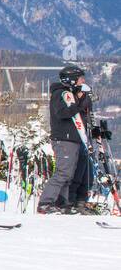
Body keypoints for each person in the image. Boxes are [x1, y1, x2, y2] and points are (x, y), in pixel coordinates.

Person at [38, 64, 92, 214]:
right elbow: (63, 113)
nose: (83, 81)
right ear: (72, 80)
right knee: (63, 172)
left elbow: (80, 117)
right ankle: (46, 202)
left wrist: (82, 101)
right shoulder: (60, 93)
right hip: (64, 138)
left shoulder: (71, 94)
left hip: (74, 139)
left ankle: (62, 203)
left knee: (69, 174)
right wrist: (79, 104)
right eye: (80, 79)